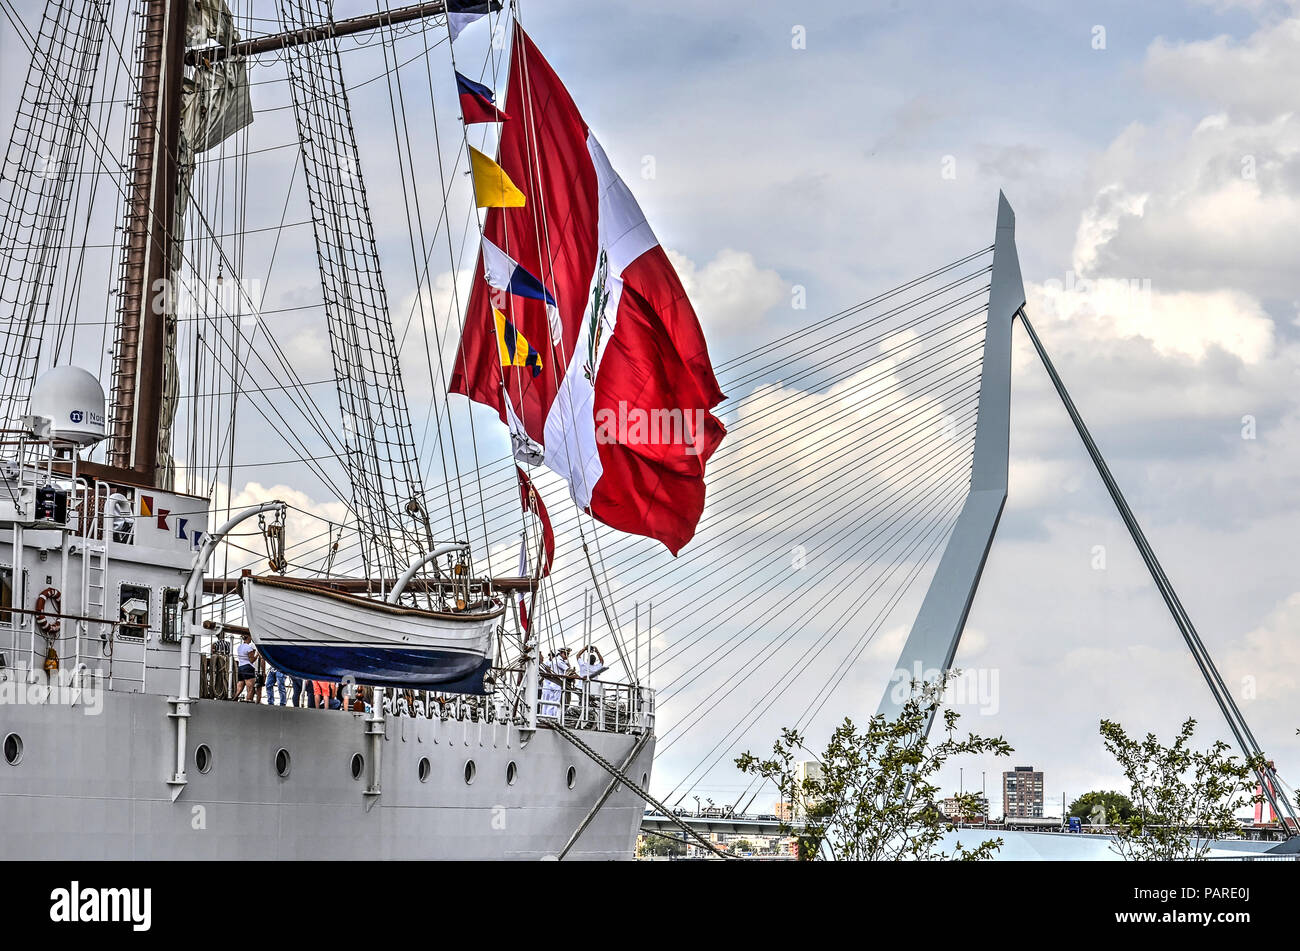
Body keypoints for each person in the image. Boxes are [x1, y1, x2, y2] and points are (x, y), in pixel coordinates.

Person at [576, 644, 607, 727]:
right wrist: (597, 651)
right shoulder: (596, 667)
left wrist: (584, 649)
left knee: (582, 704)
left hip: (582, 688)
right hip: (593, 689)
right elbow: (602, 661)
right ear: (594, 661)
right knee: (591, 705)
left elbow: (578, 656)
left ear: (587, 659)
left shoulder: (583, 665)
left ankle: (581, 719)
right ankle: (591, 721)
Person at [539, 647, 570, 719]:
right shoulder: (558, 661)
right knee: (554, 702)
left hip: (549, 684)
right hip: (555, 684)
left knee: (547, 702)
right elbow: (568, 670)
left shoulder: (553, 661)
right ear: (561, 653)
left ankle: (545, 717)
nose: (567, 656)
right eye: (566, 654)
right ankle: (552, 717)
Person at [233, 632, 258, 702]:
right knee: (250, 688)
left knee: (239, 687)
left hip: (240, 667)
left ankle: (233, 699)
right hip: (248, 668)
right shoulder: (249, 647)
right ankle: (248, 701)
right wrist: (257, 654)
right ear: (248, 637)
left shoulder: (239, 647)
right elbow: (252, 660)